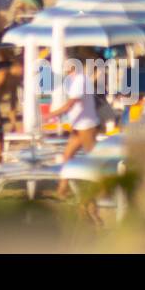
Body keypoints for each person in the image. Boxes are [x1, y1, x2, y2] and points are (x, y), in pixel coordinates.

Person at [47, 54, 100, 198]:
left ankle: (103, 188)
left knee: (94, 159)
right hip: (79, 126)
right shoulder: (76, 80)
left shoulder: (80, 80)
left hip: (86, 125)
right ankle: (62, 189)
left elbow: (72, 103)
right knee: (67, 156)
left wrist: (52, 114)